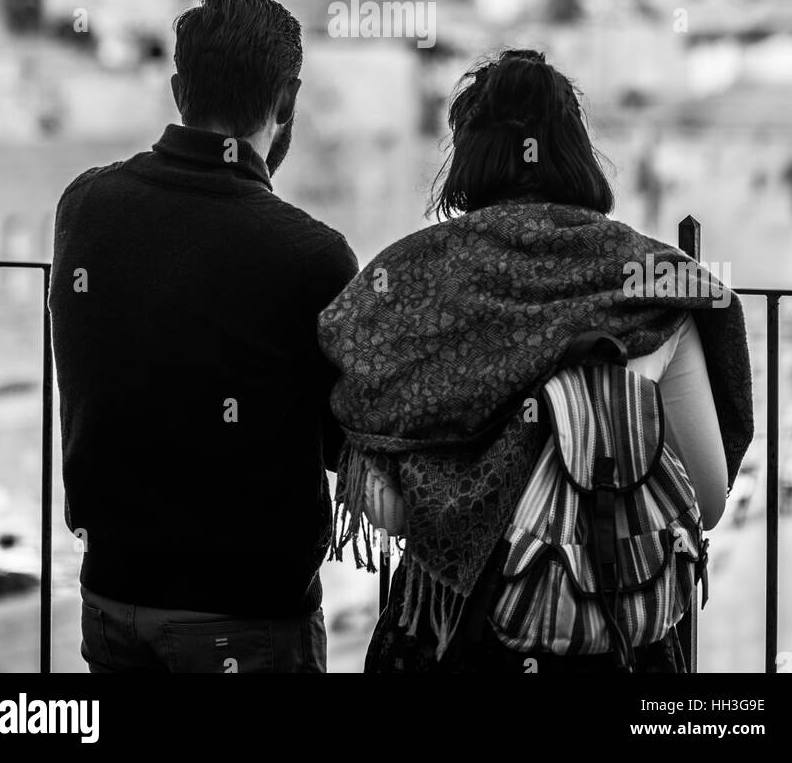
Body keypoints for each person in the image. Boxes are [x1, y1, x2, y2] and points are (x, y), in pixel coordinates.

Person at [318, 48, 754, 674]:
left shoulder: (408, 282)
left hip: (450, 636)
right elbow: (706, 502)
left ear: (469, 157)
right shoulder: (654, 282)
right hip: (616, 635)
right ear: (576, 152)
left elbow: (379, 492)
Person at [50, 0, 357, 673]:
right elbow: (345, 441)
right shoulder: (311, 255)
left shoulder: (85, 205)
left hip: (111, 597)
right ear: (286, 101)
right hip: (246, 616)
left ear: (178, 90)